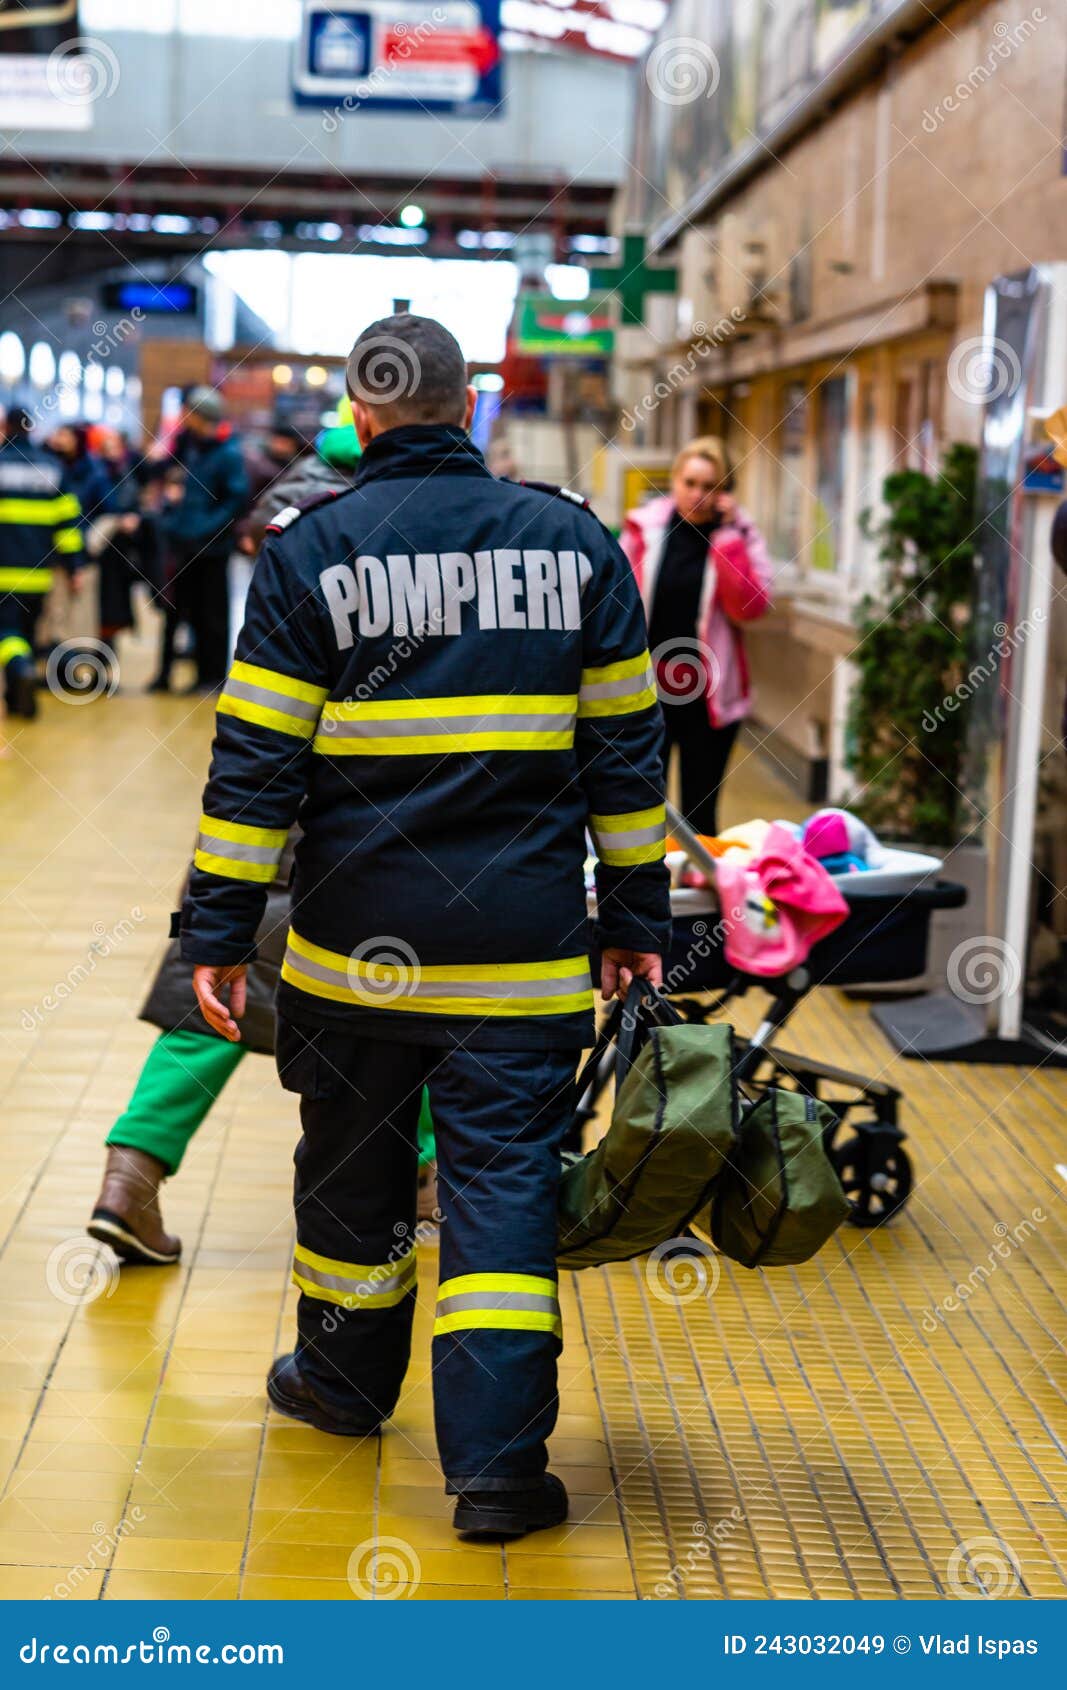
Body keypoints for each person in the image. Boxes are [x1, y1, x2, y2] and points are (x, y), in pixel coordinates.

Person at [180, 312, 670, 1541]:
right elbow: (625, 752)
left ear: (362, 408)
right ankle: (498, 1472)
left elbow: (253, 775)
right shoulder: (573, 545)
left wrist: (216, 935)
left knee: (354, 1175)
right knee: (502, 1197)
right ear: (470, 406)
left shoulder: (313, 554)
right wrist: (635, 917)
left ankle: (341, 1387)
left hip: (358, 959)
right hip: (522, 958)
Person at [85, 427, 445, 1266]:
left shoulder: (294, 515)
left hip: (263, 809)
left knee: (206, 998)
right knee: (402, 1003)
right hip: (373, 812)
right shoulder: (402, 526)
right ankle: (428, 1179)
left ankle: (128, 1177)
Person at [621, 436, 772, 836]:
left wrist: (726, 540)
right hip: (649, 689)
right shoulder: (644, 530)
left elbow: (750, 608)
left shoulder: (739, 535)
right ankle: (647, 892)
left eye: (710, 487)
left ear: (725, 493)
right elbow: (617, 602)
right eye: (690, 483)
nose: (698, 495)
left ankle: (699, 893)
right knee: (643, 806)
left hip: (709, 697)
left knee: (699, 816)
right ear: (674, 481)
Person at [151, 387, 248, 693]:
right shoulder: (188, 448)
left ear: (199, 416)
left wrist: (207, 527)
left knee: (212, 615)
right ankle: (168, 675)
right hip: (183, 545)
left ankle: (211, 677)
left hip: (212, 549)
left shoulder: (228, 453)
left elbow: (236, 499)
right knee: (177, 611)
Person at [0, 405, 84, 721]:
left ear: (6, 428)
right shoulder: (52, 468)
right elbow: (68, 525)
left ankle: (20, 672)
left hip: (2, 573)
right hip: (37, 575)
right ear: (31, 429)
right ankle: (18, 696)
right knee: (26, 631)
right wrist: (74, 567)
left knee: (5, 632)